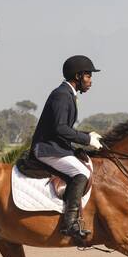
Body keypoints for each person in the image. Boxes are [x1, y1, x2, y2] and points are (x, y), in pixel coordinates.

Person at [30, 55, 103, 240]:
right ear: (78, 76)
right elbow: (60, 128)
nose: (91, 81)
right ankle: (70, 223)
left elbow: (65, 129)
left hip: (56, 147)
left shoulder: (68, 93)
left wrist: (89, 136)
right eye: (88, 76)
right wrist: (86, 139)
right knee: (82, 173)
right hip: (47, 149)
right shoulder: (62, 95)